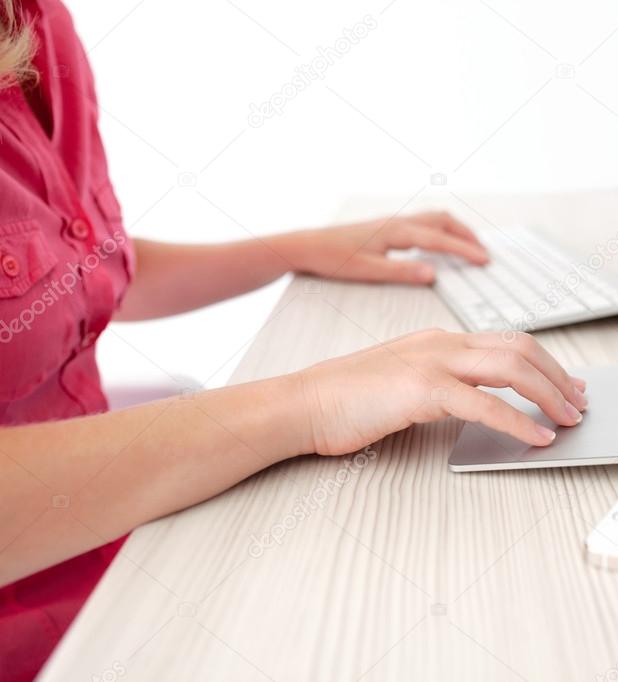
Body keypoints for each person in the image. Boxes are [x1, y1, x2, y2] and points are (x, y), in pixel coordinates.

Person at [0, 1, 587, 678]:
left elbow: (80, 275)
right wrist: (309, 404)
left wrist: (295, 249)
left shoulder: (40, 23)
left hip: (112, 551)